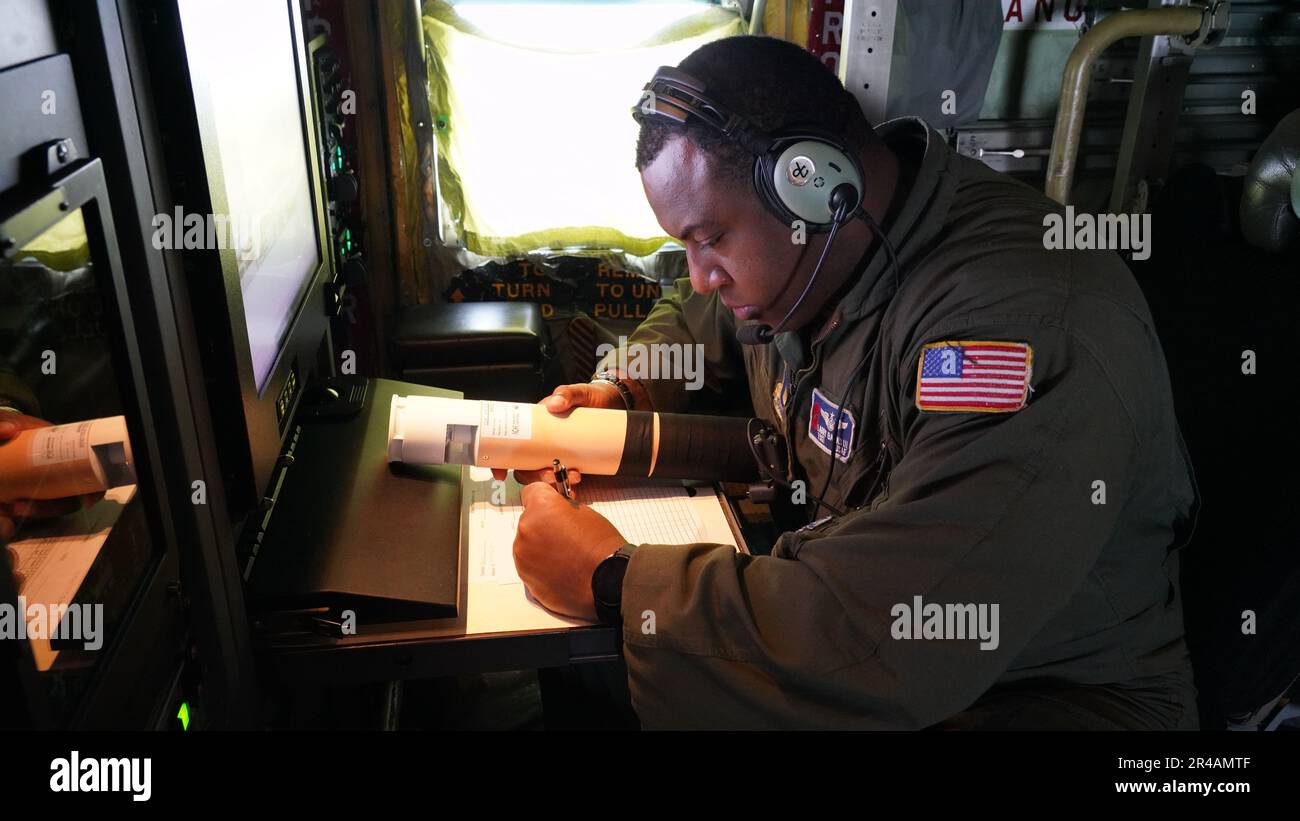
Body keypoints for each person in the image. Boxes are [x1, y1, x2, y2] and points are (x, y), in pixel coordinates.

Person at [507, 36, 1199, 729]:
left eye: (710, 238)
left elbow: (893, 635)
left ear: (812, 184)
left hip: (1039, 694)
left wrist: (611, 578)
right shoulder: (804, 259)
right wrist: (625, 387)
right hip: (870, 639)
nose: (700, 275)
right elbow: (694, 319)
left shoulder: (1020, 329)